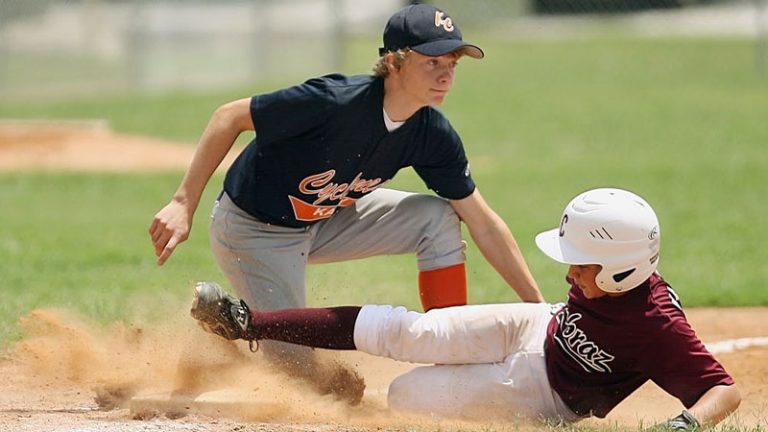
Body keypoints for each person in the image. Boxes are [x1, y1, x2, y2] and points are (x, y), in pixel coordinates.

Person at [149, 4, 544, 403]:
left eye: (452, 64)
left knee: (437, 216)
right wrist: (183, 202)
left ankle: (450, 353)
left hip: (324, 218)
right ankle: (223, 334)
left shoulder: (431, 134)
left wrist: (540, 310)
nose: (445, 75)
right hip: (254, 231)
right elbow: (229, 116)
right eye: (431, 62)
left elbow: (483, 222)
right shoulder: (334, 102)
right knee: (302, 381)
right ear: (393, 62)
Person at [189, 188, 741, 428]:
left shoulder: (658, 326)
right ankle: (245, 321)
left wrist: (684, 425)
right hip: (538, 325)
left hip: (550, 394)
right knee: (408, 331)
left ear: (622, 269)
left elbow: (724, 390)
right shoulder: (606, 279)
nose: (570, 273)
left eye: (582, 265)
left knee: (407, 394)